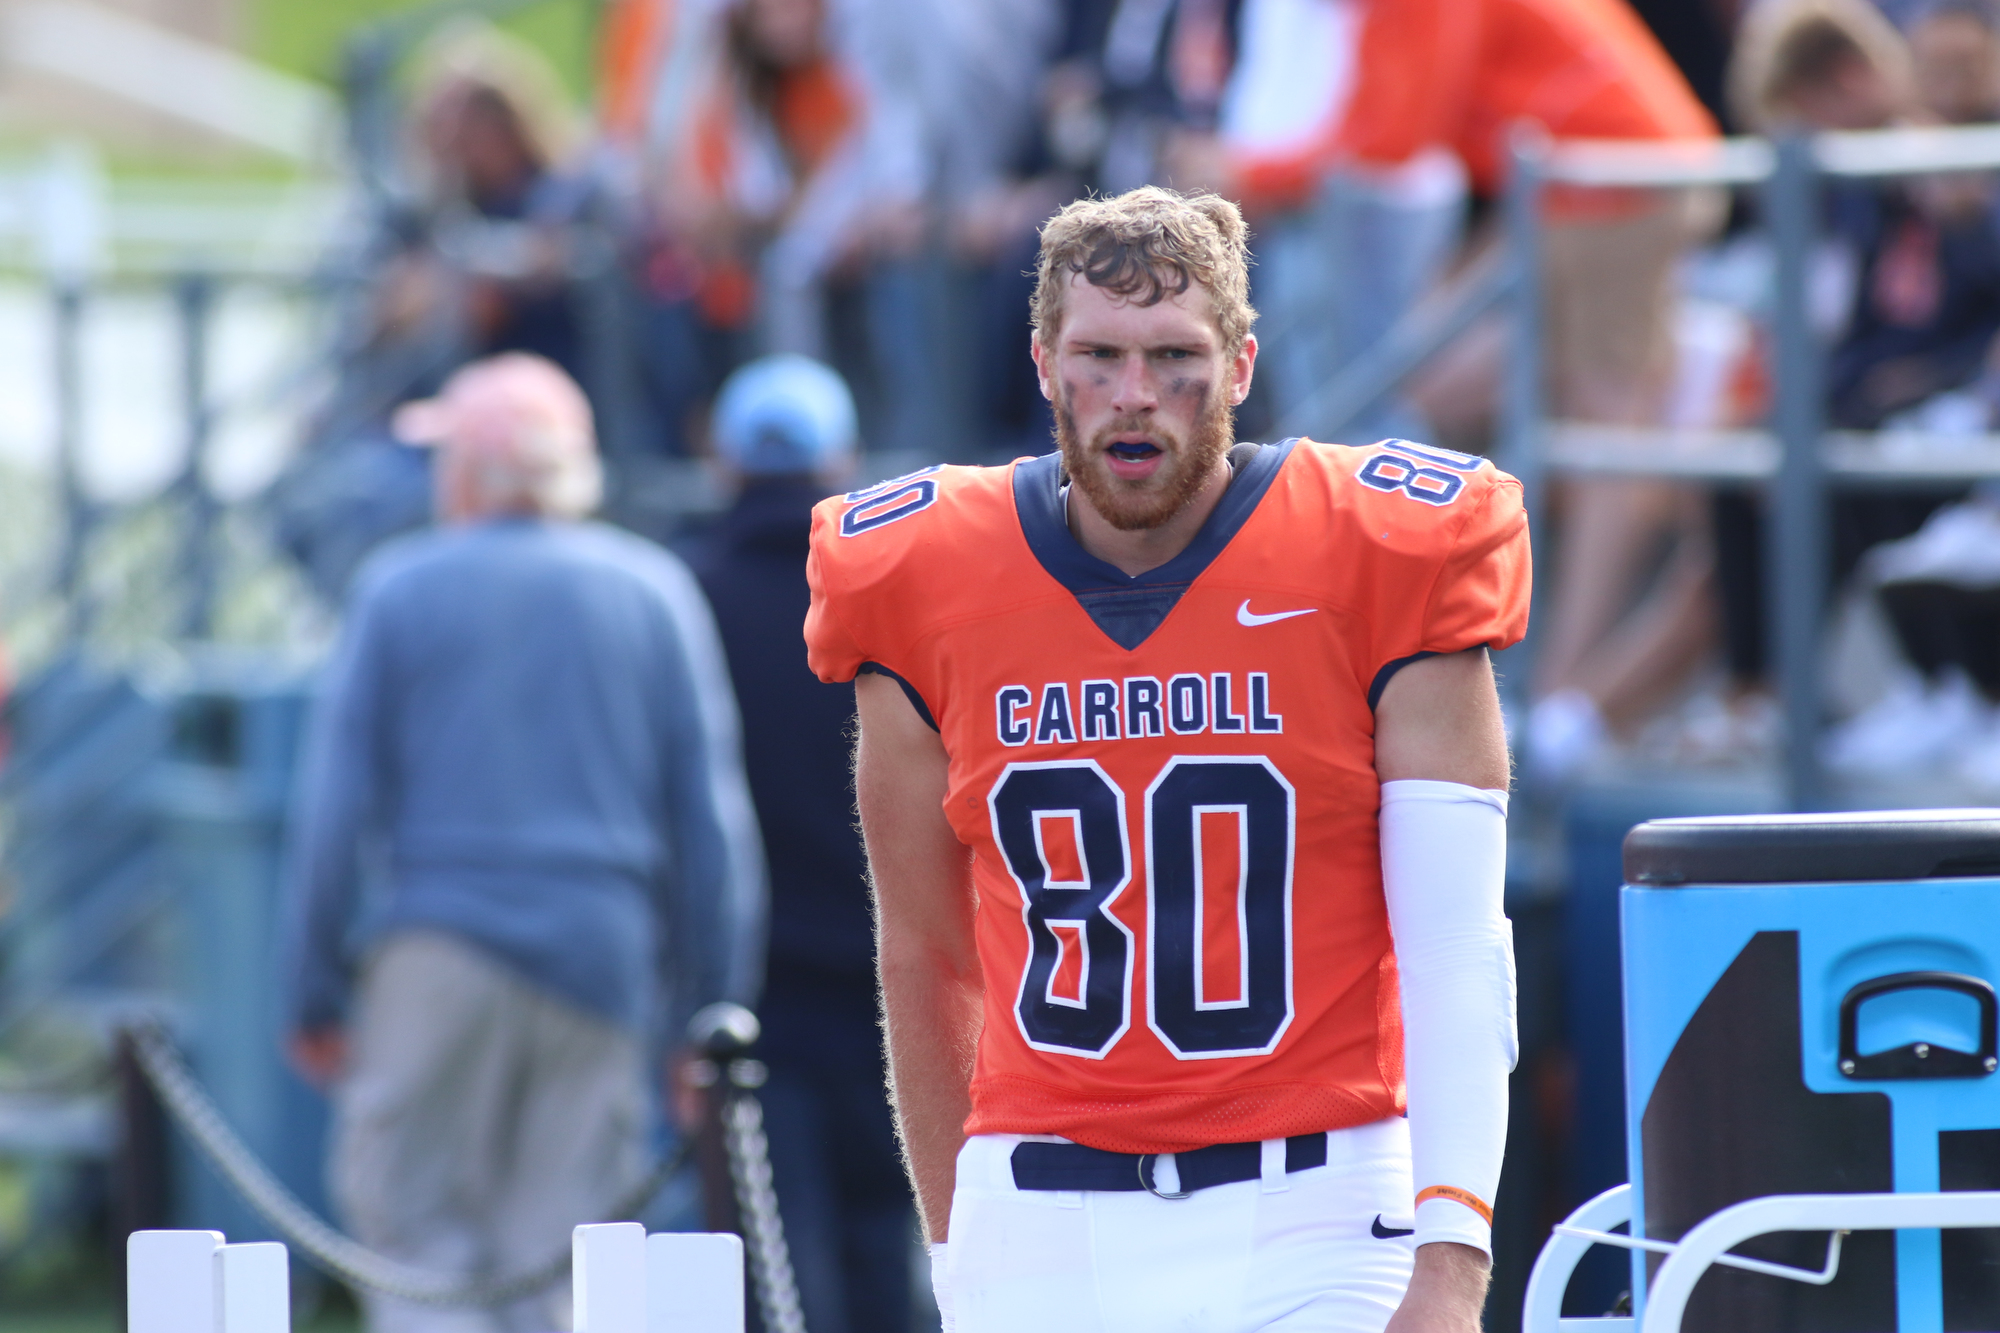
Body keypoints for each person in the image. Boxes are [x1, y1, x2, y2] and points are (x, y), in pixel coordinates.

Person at [805, 187, 1528, 1332]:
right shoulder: (923, 572)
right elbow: (927, 956)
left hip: (1322, 1204)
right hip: (1038, 1213)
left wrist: (1451, 1255)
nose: (1133, 396)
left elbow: (1455, 944)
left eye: (1173, 356)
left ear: (1240, 365)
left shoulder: (1379, 548)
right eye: (1097, 354)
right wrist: (961, 1247)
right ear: (1043, 364)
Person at [279, 353, 766, 1333]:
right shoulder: (653, 590)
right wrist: (706, 1013)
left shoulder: (396, 589)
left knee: (416, 1248)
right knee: (568, 1267)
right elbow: (711, 829)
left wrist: (312, 991)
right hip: (602, 960)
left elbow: (329, 815)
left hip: (434, 951)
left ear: (464, 468)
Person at [684, 356, 917, 1333]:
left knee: (773, 1267)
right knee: (891, 1258)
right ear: (845, 464)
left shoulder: (687, 593)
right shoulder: (904, 596)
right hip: (895, 981)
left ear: (725, 467)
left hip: (752, 994)